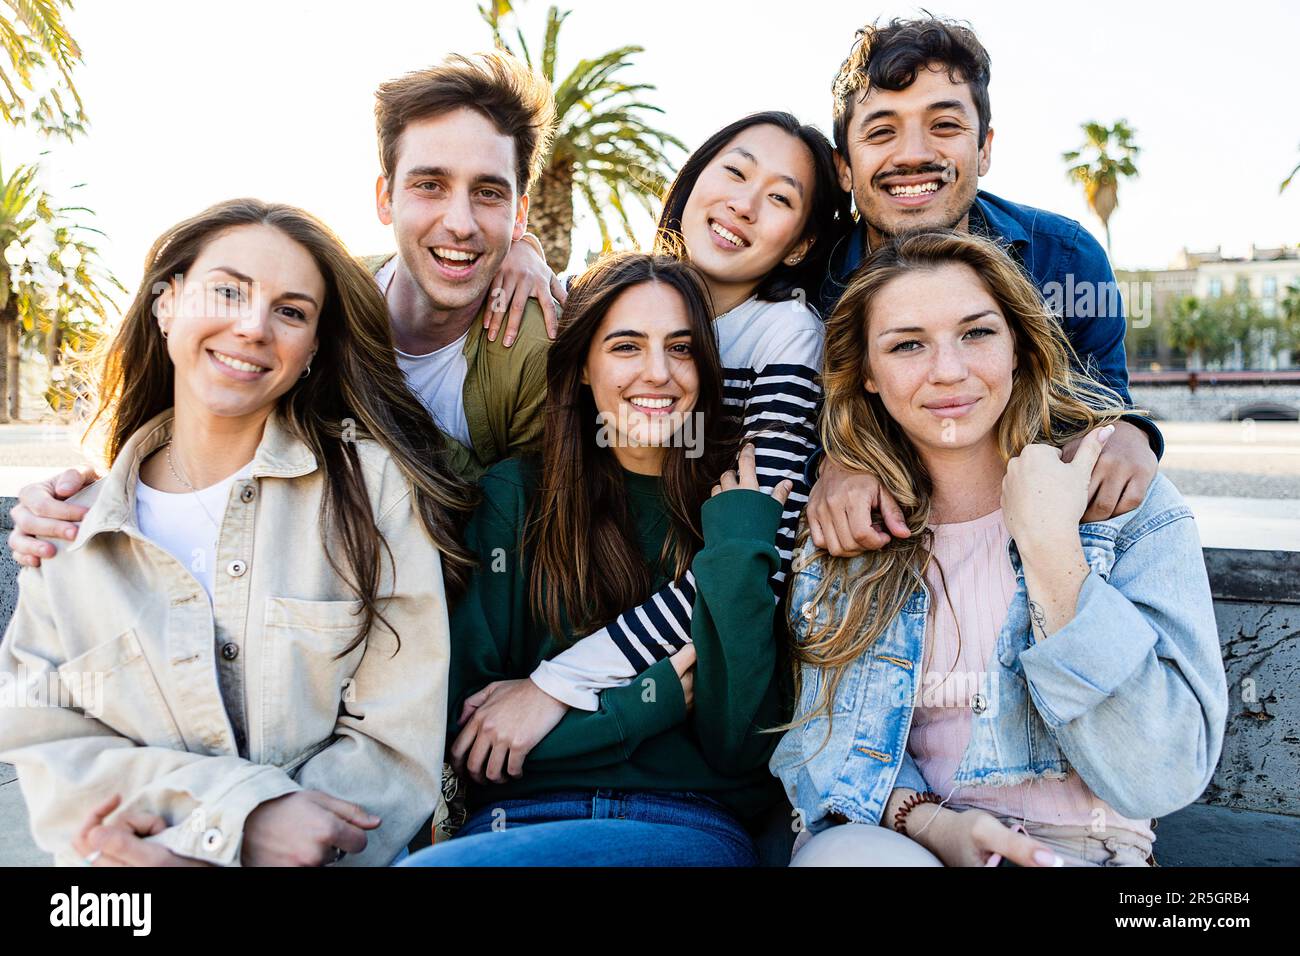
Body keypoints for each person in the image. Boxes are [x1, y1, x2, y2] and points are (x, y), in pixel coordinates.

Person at [0, 199, 472, 867]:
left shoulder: (374, 495)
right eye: (228, 290)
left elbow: (396, 746)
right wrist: (235, 822)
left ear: (311, 350)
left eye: (291, 311)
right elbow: (46, 744)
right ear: (166, 304)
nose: (253, 326)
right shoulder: (69, 528)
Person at [771, 230, 1227, 867]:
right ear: (868, 375)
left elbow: (1162, 773)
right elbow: (814, 749)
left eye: (977, 333)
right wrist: (932, 825)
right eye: (907, 345)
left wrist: (1051, 553)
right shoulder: (849, 523)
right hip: (899, 839)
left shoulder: (1126, 503)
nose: (949, 370)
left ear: (1018, 346)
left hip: (1081, 850)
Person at [9, 50, 559, 567]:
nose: (460, 222)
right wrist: (88, 497)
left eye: (489, 193)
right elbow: (204, 413)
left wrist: (527, 251)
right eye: (430, 185)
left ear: (519, 213)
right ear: (385, 197)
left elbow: (542, 531)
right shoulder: (317, 293)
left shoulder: (538, 345)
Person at [435, 112, 850, 762]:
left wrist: (557, 684)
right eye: (735, 173)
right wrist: (521, 251)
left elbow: (754, 550)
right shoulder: (605, 294)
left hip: (696, 643)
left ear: (799, 244)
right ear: (688, 187)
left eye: (779, 198)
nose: (744, 204)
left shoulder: (785, 334)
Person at [401, 251, 790, 866]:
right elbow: (473, 736)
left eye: (681, 348)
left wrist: (739, 547)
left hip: (688, 826)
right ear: (583, 364)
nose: (658, 373)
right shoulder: (516, 497)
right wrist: (652, 700)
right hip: (514, 825)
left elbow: (738, 748)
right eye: (626, 347)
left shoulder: (737, 506)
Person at [805, 16, 1164, 558]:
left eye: (945, 125)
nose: (912, 154)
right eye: (881, 131)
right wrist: (830, 462)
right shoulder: (805, 283)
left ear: (985, 149)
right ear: (845, 168)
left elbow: (1103, 410)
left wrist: (1131, 436)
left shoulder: (1064, 259)